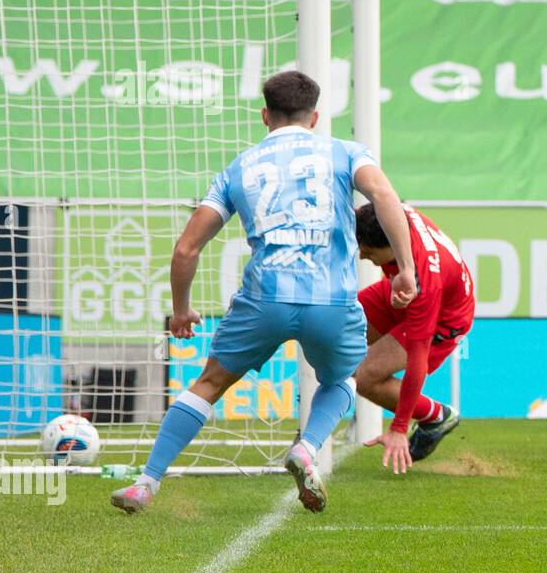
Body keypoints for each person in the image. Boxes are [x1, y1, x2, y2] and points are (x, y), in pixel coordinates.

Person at [111, 70, 416, 514]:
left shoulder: (238, 168)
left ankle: (145, 483)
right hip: (330, 299)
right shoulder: (345, 153)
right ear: (314, 117)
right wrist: (404, 269)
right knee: (345, 377)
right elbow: (384, 195)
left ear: (264, 116)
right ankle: (307, 448)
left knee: (210, 383)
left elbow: (185, 249)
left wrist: (181, 311)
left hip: (264, 297)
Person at [353, 201, 474, 474]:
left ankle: (437, 416)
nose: (361, 256)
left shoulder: (426, 279)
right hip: (400, 290)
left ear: (391, 246)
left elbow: (418, 357)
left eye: (369, 251)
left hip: (444, 317)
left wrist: (398, 427)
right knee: (334, 328)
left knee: (365, 376)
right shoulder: (388, 212)